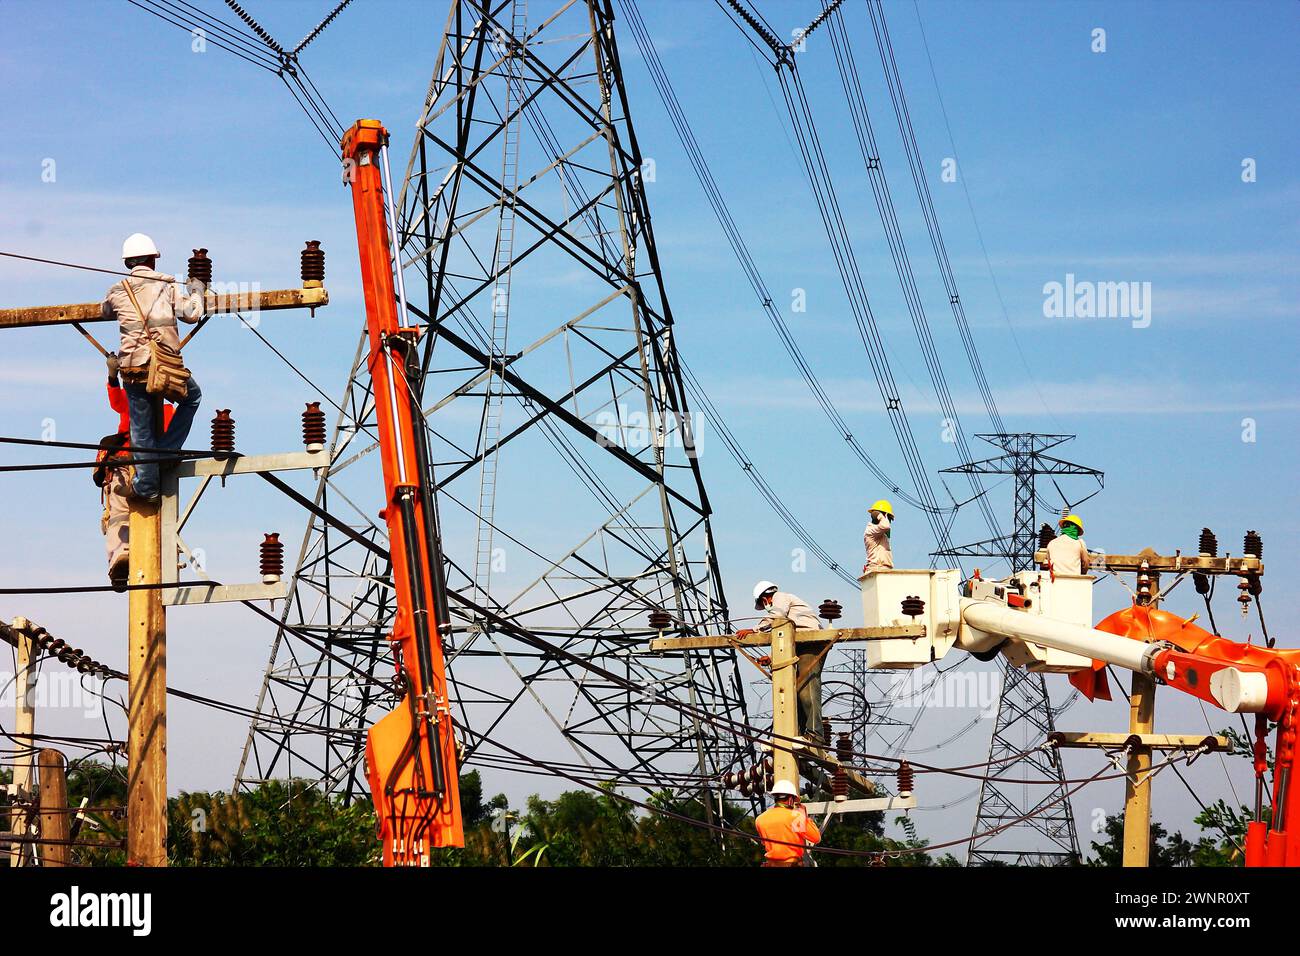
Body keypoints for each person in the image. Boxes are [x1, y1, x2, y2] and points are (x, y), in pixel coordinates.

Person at [101, 232, 204, 501]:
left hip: (132, 370)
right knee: (192, 398)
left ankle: (147, 487)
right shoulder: (167, 285)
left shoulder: (117, 290)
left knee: (141, 430)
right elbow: (192, 314)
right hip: (165, 367)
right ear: (153, 260)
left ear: (128, 263)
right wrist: (197, 290)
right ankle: (168, 453)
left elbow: (105, 311)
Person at [95, 355, 175, 590]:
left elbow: (116, 401)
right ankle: (126, 560)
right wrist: (112, 377)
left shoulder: (154, 407)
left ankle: (128, 558)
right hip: (135, 466)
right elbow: (116, 400)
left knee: (124, 513)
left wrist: (112, 375)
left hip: (135, 465)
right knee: (132, 513)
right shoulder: (162, 408)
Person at [738, 581, 828, 741]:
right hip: (798, 643)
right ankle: (800, 733)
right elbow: (783, 637)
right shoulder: (788, 610)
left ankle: (815, 733)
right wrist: (772, 658)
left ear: (765, 598)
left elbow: (777, 617)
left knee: (807, 688)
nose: (765, 606)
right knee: (796, 692)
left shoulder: (780, 597)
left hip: (810, 642)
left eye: (763, 603)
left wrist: (753, 630)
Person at [755, 779, 821, 867]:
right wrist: (804, 816)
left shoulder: (760, 819)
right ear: (790, 799)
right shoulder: (796, 817)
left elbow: (764, 842)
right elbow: (816, 838)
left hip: (771, 864)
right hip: (791, 864)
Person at [863, 498, 894, 573]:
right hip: (877, 568)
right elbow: (886, 526)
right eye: (887, 518)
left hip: (883, 569)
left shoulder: (881, 534)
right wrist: (878, 515)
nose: (888, 521)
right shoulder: (870, 531)